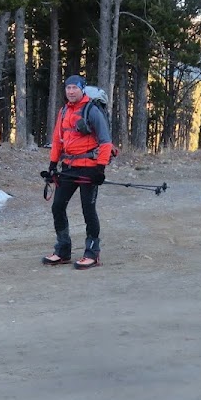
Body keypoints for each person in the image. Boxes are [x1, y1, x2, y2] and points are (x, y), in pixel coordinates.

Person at [42, 74, 114, 270]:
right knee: (57, 206)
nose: (71, 91)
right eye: (68, 88)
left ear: (82, 89)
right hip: (68, 167)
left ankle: (92, 253)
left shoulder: (92, 110)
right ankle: (63, 250)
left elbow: (105, 141)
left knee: (88, 210)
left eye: (75, 88)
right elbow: (57, 140)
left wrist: (100, 168)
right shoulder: (64, 110)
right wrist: (52, 165)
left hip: (89, 168)